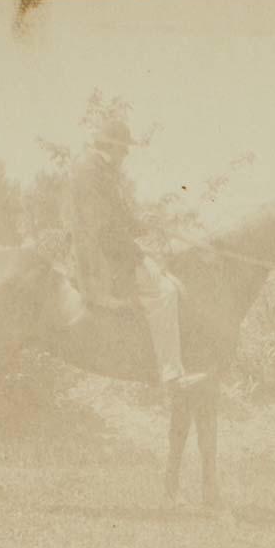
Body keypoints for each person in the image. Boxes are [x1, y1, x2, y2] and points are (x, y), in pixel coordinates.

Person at [65, 119, 207, 391]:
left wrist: (144, 225)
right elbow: (104, 227)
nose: (126, 154)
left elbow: (118, 218)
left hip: (105, 248)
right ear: (112, 146)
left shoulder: (98, 169)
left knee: (161, 277)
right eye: (123, 149)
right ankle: (171, 374)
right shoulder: (92, 171)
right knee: (165, 291)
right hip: (99, 256)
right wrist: (138, 255)